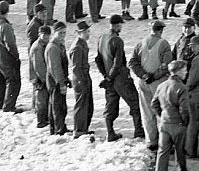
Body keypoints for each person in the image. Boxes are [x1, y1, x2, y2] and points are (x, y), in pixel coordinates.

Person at [95, 14, 144, 142]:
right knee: (135, 103)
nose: (121, 27)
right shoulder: (117, 40)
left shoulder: (101, 38)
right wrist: (110, 77)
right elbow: (118, 63)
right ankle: (139, 131)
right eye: (120, 25)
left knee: (110, 106)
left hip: (109, 79)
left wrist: (105, 76)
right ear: (117, 25)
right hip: (120, 78)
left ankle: (110, 132)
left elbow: (98, 59)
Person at [151, 60, 195, 171]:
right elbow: (184, 109)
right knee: (180, 150)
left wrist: (161, 115)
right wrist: (185, 122)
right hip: (178, 124)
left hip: (164, 123)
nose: (186, 72)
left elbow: (154, 104)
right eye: (185, 70)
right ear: (179, 71)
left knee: (162, 152)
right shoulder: (181, 87)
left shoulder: (162, 85)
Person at [129, 20, 173, 151]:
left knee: (147, 112)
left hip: (144, 84)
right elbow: (166, 65)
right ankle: (164, 141)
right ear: (161, 30)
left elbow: (132, 62)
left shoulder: (140, 43)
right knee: (161, 112)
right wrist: (154, 76)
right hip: (159, 84)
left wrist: (143, 75)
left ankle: (151, 141)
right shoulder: (164, 44)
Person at [0, 0, 22, 113]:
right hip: (6, 58)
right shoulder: (5, 26)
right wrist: (16, 57)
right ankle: (8, 105)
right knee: (13, 81)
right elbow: (10, 44)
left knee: (0, 81)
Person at [69, 20, 94, 138]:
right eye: (85, 32)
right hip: (80, 79)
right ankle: (79, 130)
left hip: (84, 76)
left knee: (87, 104)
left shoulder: (82, 44)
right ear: (79, 33)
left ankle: (84, 128)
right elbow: (75, 67)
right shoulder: (77, 47)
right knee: (81, 105)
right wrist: (82, 80)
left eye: (88, 31)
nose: (88, 34)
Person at [45, 22, 70, 135]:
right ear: (54, 33)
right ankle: (58, 129)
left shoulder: (59, 44)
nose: (62, 35)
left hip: (58, 79)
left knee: (57, 105)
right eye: (60, 33)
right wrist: (61, 83)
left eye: (64, 33)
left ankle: (57, 127)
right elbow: (55, 67)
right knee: (57, 106)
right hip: (55, 80)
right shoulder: (53, 48)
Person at [29, 25, 51, 128]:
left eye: (48, 35)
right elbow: (39, 66)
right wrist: (45, 79)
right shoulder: (37, 47)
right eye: (44, 35)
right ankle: (41, 121)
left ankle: (44, 119)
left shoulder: (44, 44)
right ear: (39, 34)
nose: (46, 37)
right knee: (41, 101)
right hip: (39, 78)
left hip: (42, 77)